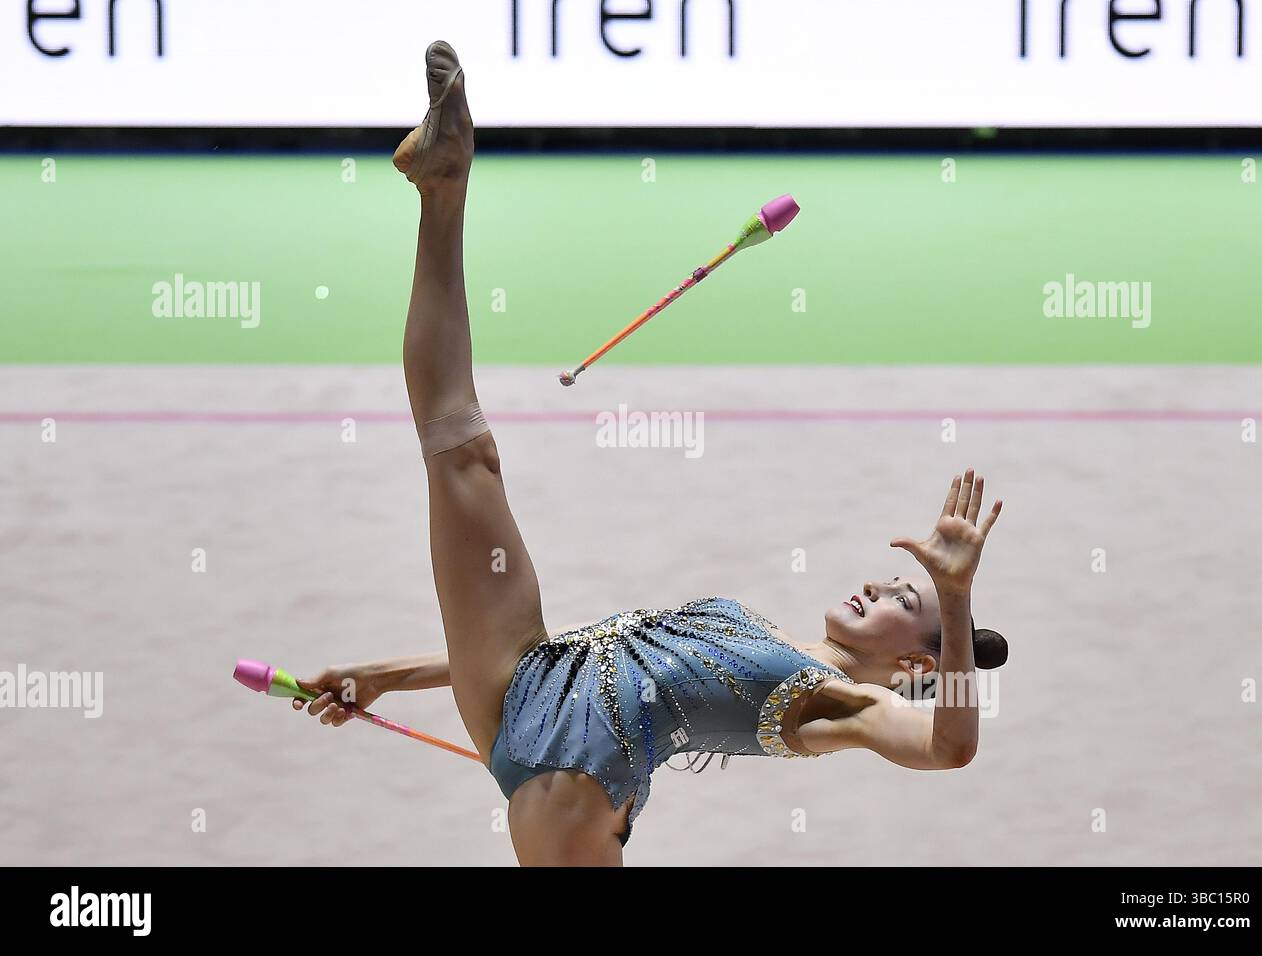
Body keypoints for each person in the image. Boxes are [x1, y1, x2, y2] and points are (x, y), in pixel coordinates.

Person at [292, 41, 1008, 866]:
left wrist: (954, 600)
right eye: (899, 581)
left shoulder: (838, 706)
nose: (882, 581)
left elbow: (951, 747)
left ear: (917, 658)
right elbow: (591, 650)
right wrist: (383, 673)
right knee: (461, 448)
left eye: (903, 601)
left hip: (573, 784)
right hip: (522, 678)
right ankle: (444, 181)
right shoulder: (765, 636)